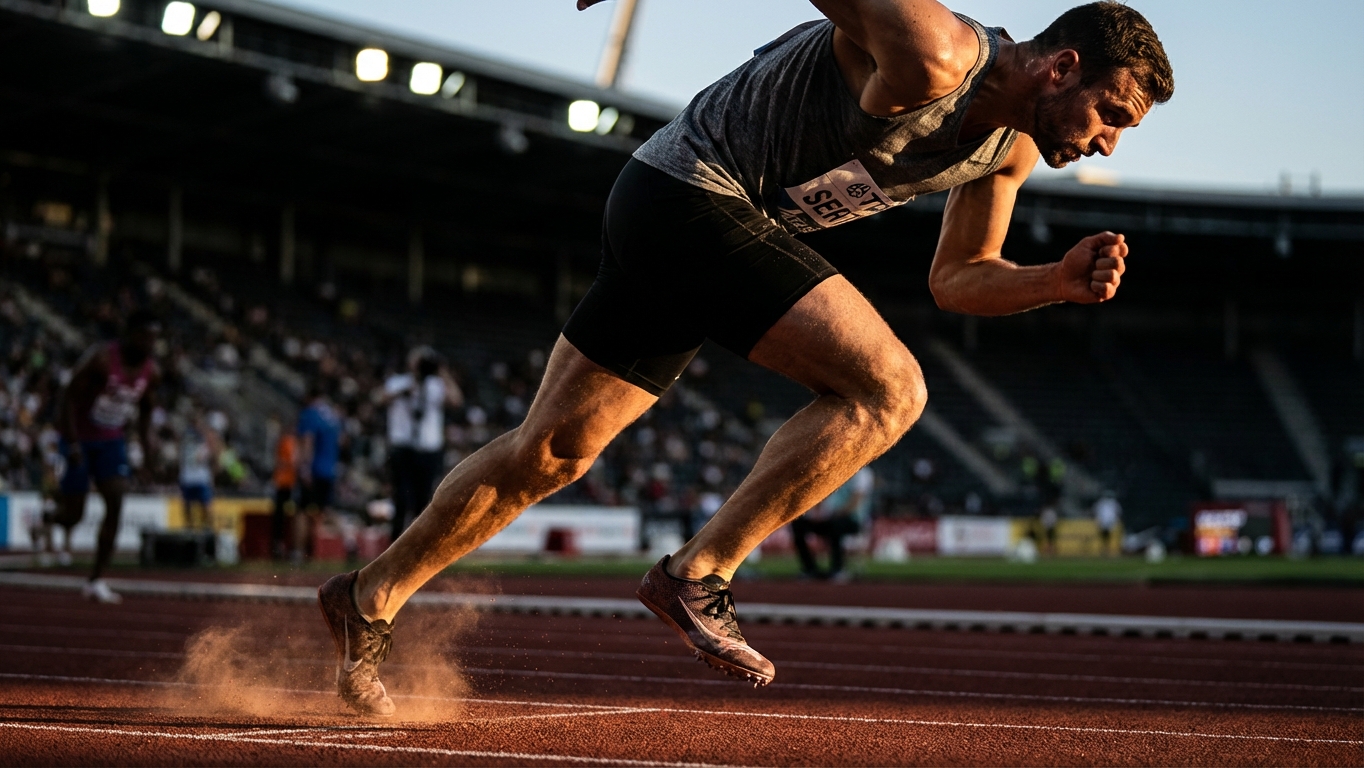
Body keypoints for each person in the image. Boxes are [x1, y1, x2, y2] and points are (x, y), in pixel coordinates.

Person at [316, 0, 1172, 715]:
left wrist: (1053, 282)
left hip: (697, 229)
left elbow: (959, 279)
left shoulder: (1008, 148)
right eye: (1113, 116)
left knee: (551, 453)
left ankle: (369, 597)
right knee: (889, 390)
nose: (1108, 147)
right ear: (1062, 67)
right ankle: (699, 572)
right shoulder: (935, 51)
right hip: (690, 195)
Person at [49, 309, 160, 603]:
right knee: (74, 515)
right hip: (79, 438)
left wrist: (148, 453)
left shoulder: (151, 372)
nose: (151, 344)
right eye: (146, 337)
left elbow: (147, 410)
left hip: (112, 441)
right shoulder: (101, 360)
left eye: (155, 338)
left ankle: (96, 580)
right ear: (131, 335)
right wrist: (72, 444)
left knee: (116, 500)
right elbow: (67, 398)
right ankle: (49, 516)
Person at [378, 348, 461, 541]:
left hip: (428, 449)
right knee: (402, 498)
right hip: (402, 447)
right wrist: (407, 388)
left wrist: (443, 373)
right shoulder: (399, 382)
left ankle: (418, 545)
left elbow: (456, 401)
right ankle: (395, 544)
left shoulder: (436, 384)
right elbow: (381, 398)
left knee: (424, 500)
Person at [792, 464, 874, 581]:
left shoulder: (862, 474)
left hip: (852, 520)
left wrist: (833, 514)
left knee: (836, 526)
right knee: (798, 524)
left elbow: (855, 503)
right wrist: (816, 514)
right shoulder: (833, 470)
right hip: (830, 518)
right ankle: (810, 569)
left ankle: (837, 569)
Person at [294, 385, 340, 566]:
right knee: (321, 512)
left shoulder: (310, 414)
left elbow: (307, 441)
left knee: (302, 511)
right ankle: (316, 552)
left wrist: (304, 468)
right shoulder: (332, 416)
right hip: (329, 469)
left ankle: (298, 553)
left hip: (314, 469)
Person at [177, 410, 221, 531]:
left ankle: (208, 531)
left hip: (201, 476)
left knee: (205, 506)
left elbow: (215, 453)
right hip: (188, 476)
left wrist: (213, 473)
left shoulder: (206, 436)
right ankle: (189, 531)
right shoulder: (185, 435)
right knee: (188, 506)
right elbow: (181, 455)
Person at [270, 417, 299, 560]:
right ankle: (283, 546)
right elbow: (285, 462)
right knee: (283, 517)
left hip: (286, 482)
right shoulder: (290, 442)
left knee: (282, 517)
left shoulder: (288, 442)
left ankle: (281, 545)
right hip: (286, 483)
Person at [1094, 491, 1121, 556]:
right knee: (1104, 536)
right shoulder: (1102, 503)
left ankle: (1107, 549)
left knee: (1108, 536)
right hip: (1105, 522)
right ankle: (1105, 549)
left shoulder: (1113, 503)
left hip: (1110, 521)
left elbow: (1118, 512)